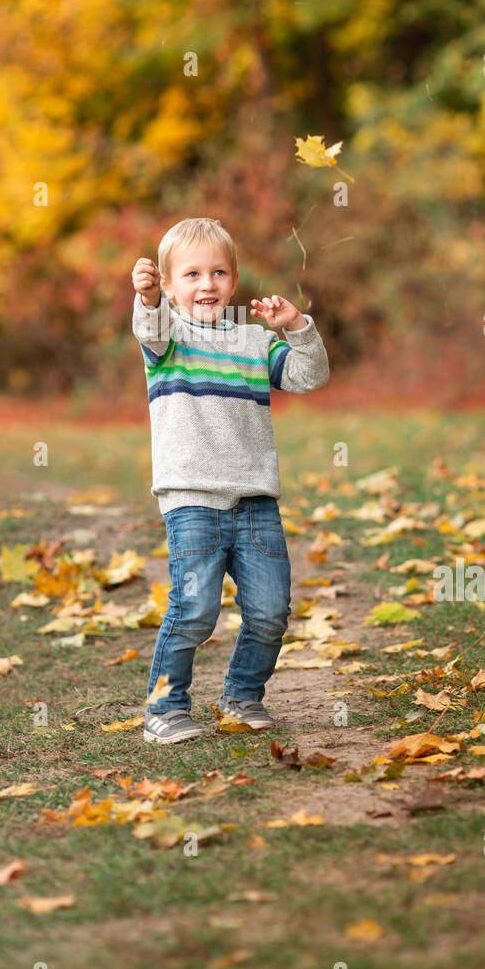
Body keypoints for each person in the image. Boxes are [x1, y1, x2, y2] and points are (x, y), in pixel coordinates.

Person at [131, 217, 330, 744]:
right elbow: (147, 326)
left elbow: (309, 376)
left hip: (255, 499)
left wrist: (297, 326)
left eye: (218, 272)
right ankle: (165, 707)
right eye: (191, 274)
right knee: (194, 610)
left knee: (270, 610)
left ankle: (242, 697)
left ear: (234, 280)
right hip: (192, 498)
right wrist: (148, 297)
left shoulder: (252, 341)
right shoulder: (167, 339)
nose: (207, 284)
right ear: (172, 286)